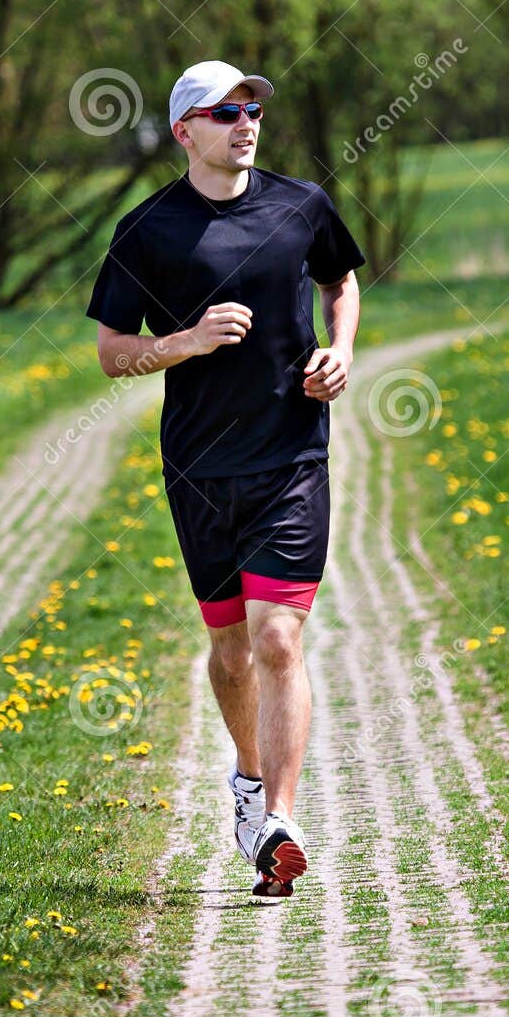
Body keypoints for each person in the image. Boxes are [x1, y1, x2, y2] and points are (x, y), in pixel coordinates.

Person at [86, 60, 364, 898]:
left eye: (251, 110)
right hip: (200, 470)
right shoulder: (147, 231)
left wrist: (340, 351)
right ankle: (247, 786)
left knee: (278, 639)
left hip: (290, 458)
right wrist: (185, 341)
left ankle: (278, 816)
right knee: (230, 649)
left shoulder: (300, 205)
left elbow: (339, 280)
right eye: (224, 112)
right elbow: (110, 354)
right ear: (184, 132)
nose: (245, 123)